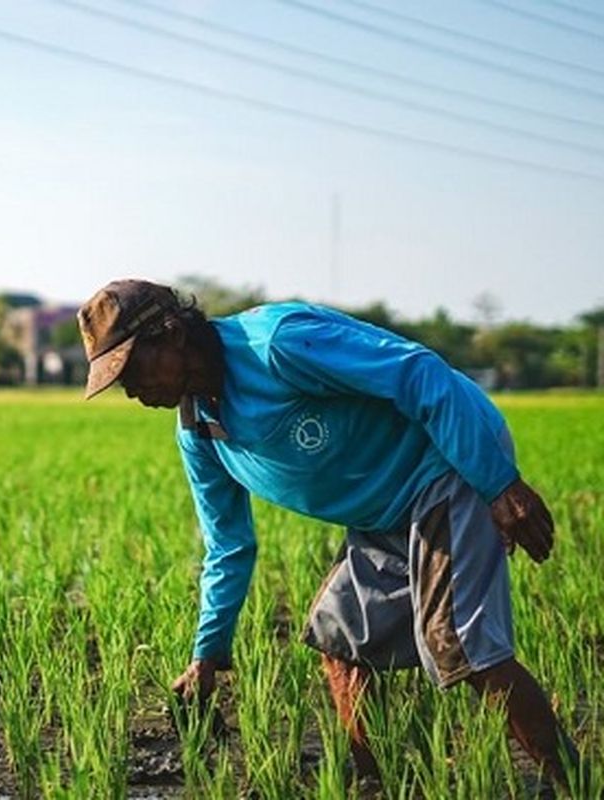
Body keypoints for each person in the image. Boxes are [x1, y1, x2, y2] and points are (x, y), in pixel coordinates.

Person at [76, 278, 580, 787]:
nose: (133, 391)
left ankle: (578, 784)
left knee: (462, 646)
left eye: (132, 369)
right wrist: (208, 654)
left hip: (445, 465)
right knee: (341, 644)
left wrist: (498, 483)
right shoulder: (199, 427)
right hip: (381, 513)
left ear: (171, 334)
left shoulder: (276, 345)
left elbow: (418, 373)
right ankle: (376, 788)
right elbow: (228, 544)